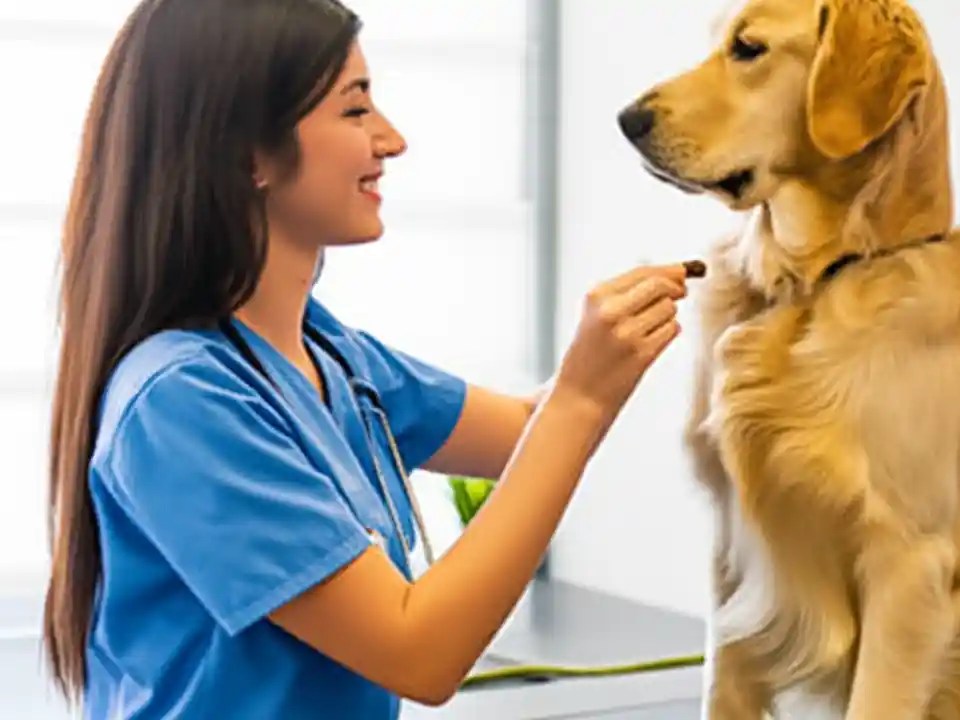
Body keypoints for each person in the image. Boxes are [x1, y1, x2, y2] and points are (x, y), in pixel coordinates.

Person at [40, 0, 693, 717]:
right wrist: (583, 396)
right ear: (247, 152)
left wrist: (682, 325)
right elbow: (419, 653)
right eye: (355, 111)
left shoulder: (332, 357)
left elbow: (523, 433)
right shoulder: (179, 401)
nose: (393, 140)